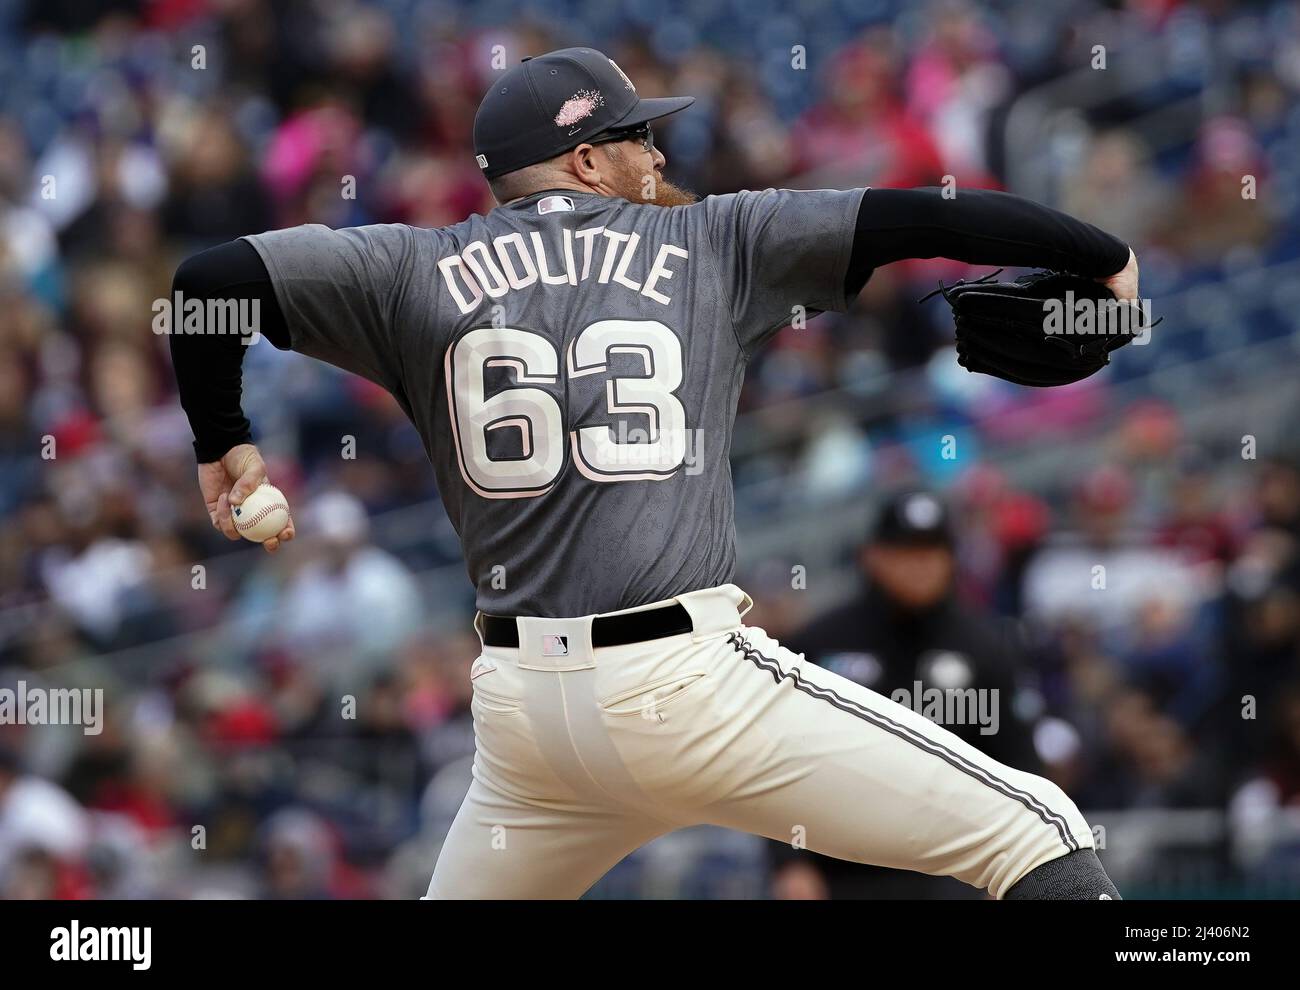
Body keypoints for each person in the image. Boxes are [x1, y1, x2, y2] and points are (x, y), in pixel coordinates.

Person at [168, 47, 1138, 899]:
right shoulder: (708, 240)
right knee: (1036, 832)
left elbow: (206, 283)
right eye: (638, 138)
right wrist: (1104, 257)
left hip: (526, 731)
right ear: (587, 158)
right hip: (683, 688)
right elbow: (920, 217)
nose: (659, 157)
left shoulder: (409, 267)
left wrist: (223, 441)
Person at [772, 490, 1042, 899]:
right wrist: (789, 864)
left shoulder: (984, 646)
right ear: (872, 556)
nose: (920, 565)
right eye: (905, 551)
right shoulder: (821, 642)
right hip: (840, 872)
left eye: (932, 551)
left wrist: (1015, 870)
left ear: (951, 559)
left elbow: (1019, 767)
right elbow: (779, 756)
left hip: (954, 876)